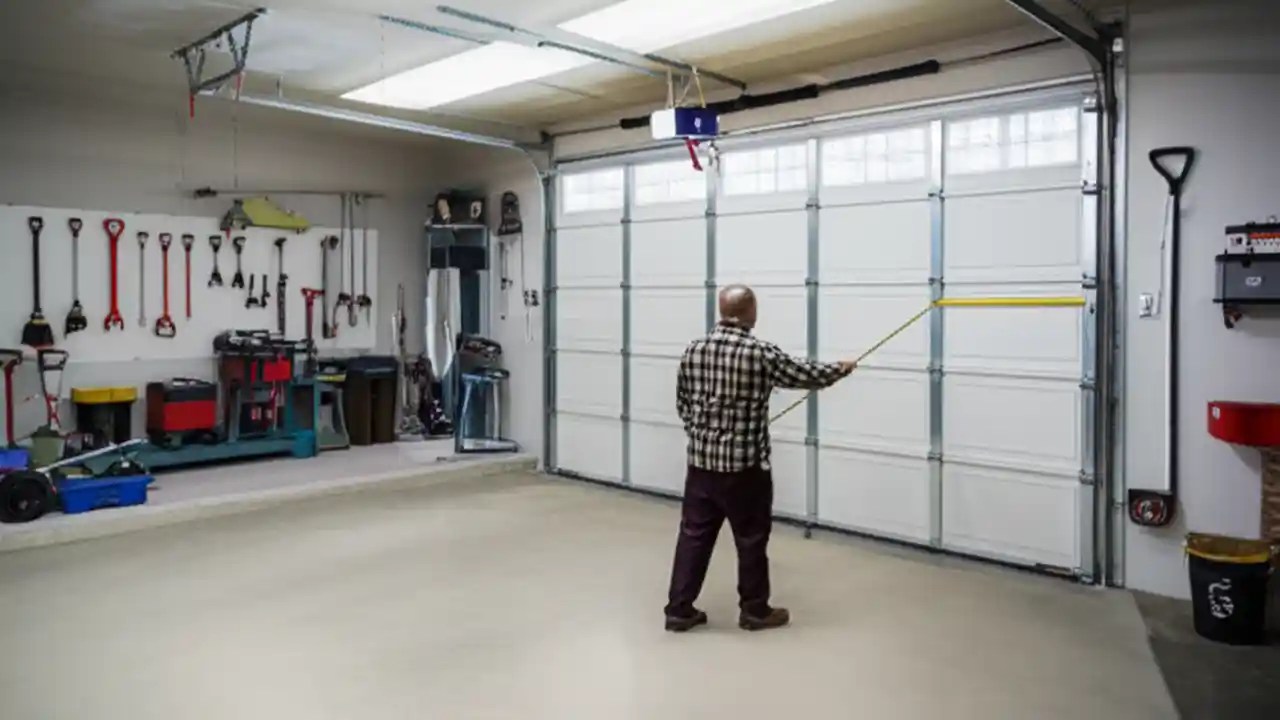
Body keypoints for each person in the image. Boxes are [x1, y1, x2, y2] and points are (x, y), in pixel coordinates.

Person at [665, 284, 855, 632]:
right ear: (750, 311)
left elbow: (683, 403)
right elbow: (805, 375)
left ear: (722, 310)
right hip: (745, 470)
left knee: (693, 536)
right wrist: (839, 369)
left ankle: (679, 610)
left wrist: (703, 435)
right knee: (751, 539)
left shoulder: (693, 349)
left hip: (701, 468)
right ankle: (754, 611)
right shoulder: (760, 353)